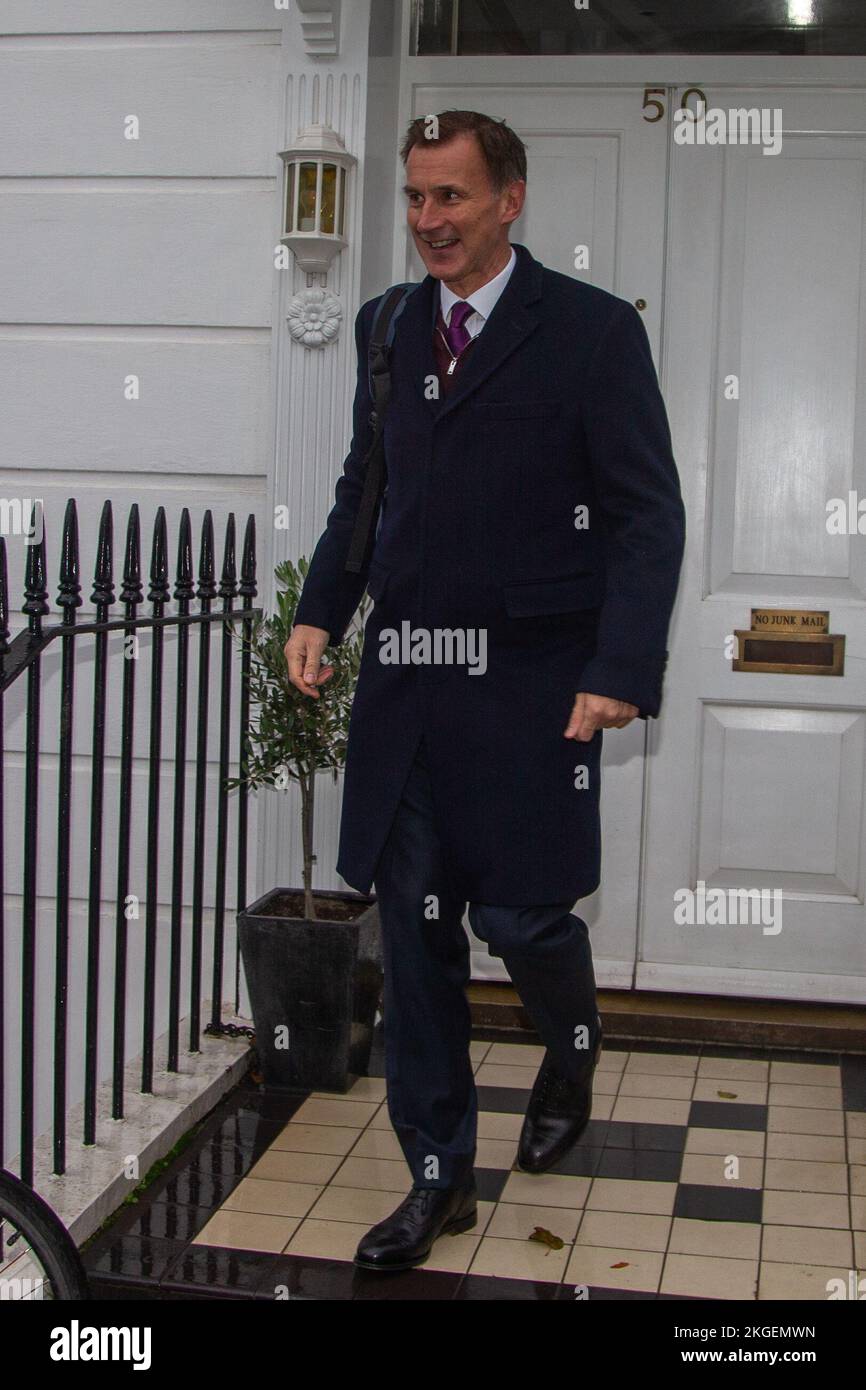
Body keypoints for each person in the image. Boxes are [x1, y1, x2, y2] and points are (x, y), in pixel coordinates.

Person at [286, 109, 686, 1272]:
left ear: (508, 199)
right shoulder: (384, 328)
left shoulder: (593, 335)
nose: (427, 222)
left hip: (532, 689)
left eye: (449, 197)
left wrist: (616, 670)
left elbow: (641, 515)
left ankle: (569, 1043)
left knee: (520, 918)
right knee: (414, 950)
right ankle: (437, 1182)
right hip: (407, 690)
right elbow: (367, 490)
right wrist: (321, 608)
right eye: (414, 198)